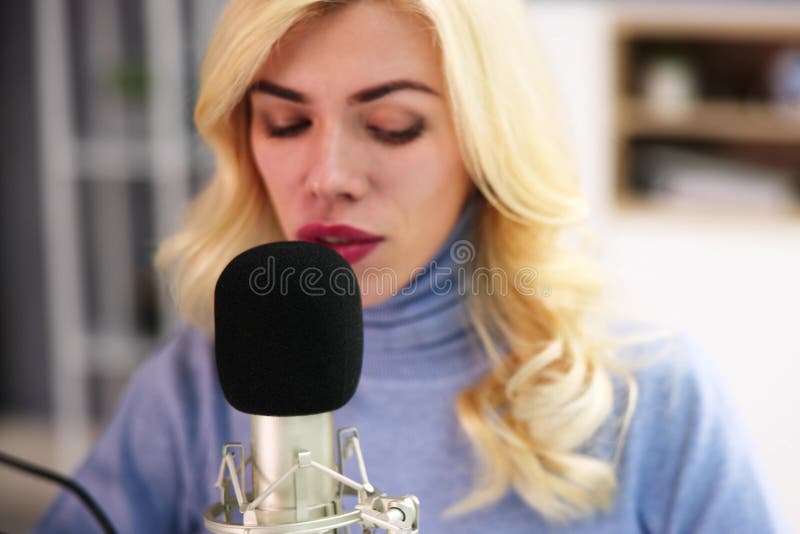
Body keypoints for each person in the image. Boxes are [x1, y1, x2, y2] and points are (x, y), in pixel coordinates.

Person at [37, 0, 789, 532]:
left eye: (393, 127)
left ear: (484, 141)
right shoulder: (198, 384)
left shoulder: (643, 391)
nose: (329, 175)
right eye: (286, 122)